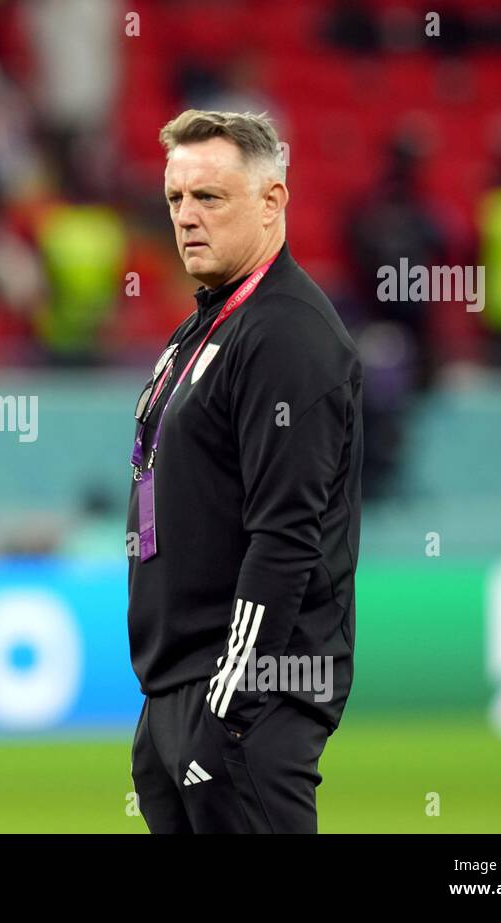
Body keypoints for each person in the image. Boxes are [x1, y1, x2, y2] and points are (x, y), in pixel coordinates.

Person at [126, 110, 363, 833]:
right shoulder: (211, 324)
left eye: (210, 198)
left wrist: (227, 702)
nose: (187, 217)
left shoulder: (285, 333)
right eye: (175, 199)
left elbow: (285, 538)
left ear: (272, 201)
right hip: (183, 689)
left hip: (244, 698)